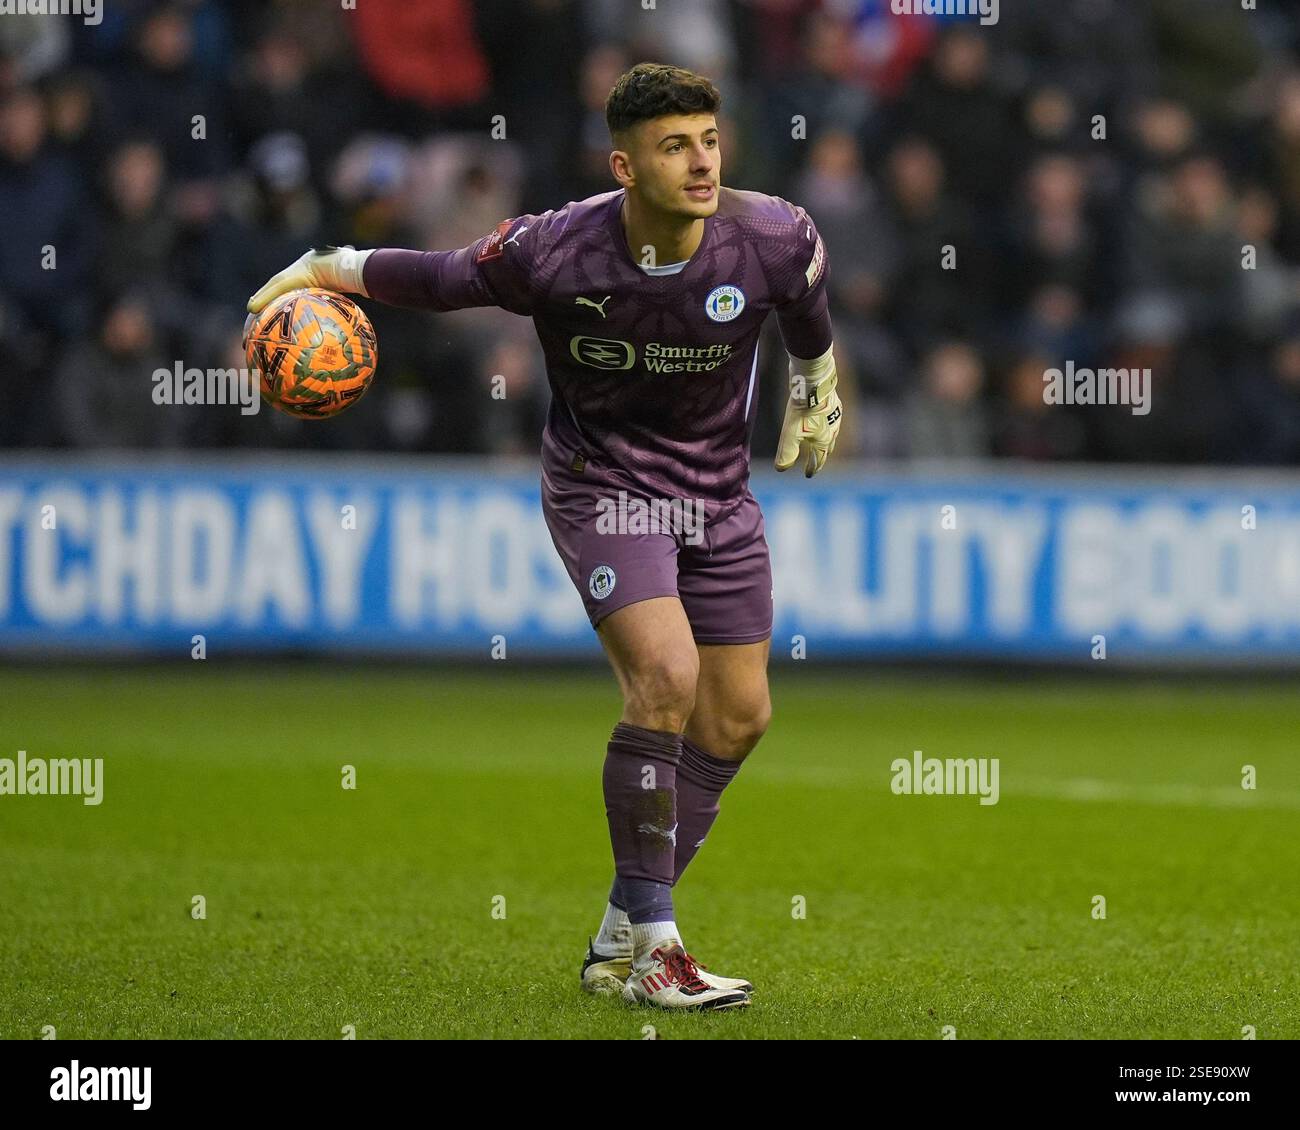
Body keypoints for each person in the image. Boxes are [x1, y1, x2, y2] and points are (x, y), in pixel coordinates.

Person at [246, 62, 841, 1011]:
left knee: (737, 717)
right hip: (602, 486)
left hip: (717, 499)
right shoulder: (555, 251)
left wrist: (816, 382)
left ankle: (617, 935)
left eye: (709, 141)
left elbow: (806, 301)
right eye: (674, 147)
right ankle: (656, 949)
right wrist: (326, 267)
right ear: (624, 165)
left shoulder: (769, 234)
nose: (701, 164)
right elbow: (438, 280)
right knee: (666, 681)